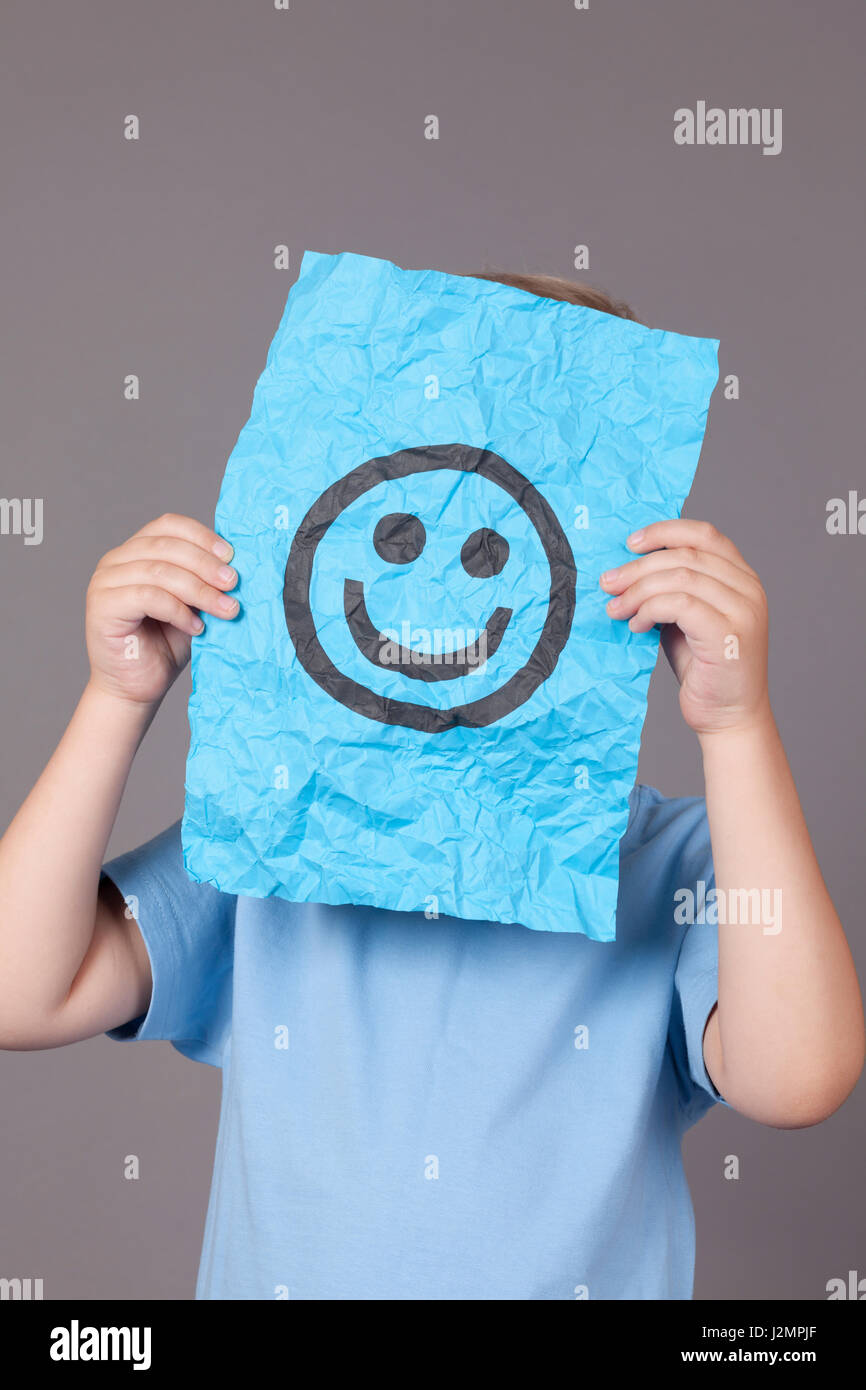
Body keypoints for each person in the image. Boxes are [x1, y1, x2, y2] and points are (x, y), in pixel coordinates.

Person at [0, 273, 862, 1301]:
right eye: (405, 534)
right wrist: (116, 700)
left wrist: (737, 727)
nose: (445, 578)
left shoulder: (672, 866)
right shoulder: (281, 836)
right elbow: (20, 987)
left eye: (498, 543)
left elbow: (796, 1074)